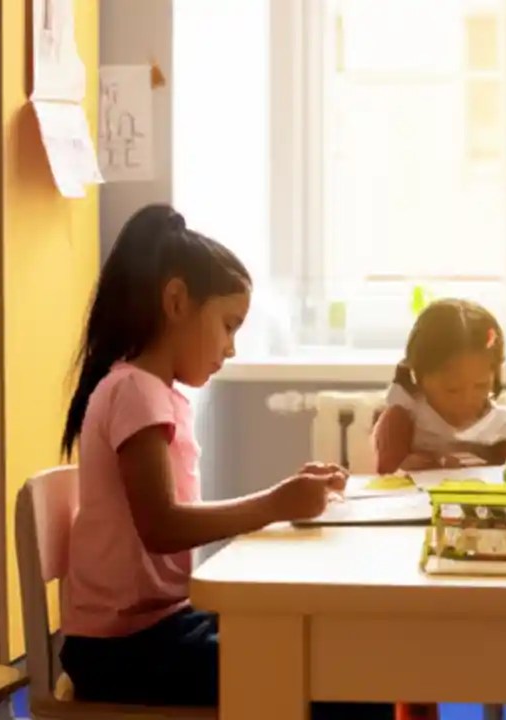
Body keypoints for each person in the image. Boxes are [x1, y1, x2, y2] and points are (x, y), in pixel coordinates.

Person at [59, 204, 388, 719]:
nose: (231, 348)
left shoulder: (155, 394)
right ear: (176, 302)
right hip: (124, 651)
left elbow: (169, 518)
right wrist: (276, 504)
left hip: (161, 628)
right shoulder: (135, 393)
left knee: (326, 651)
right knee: (335, 682)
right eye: (228, 325)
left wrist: (283, 496)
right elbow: (161, 526)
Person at [373, 299, 506, 473]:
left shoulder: (502, 425)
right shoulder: (407, 418)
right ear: (420, 377)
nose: (467, 399)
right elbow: (388, 473)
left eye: (481, 385)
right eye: (452, 390)